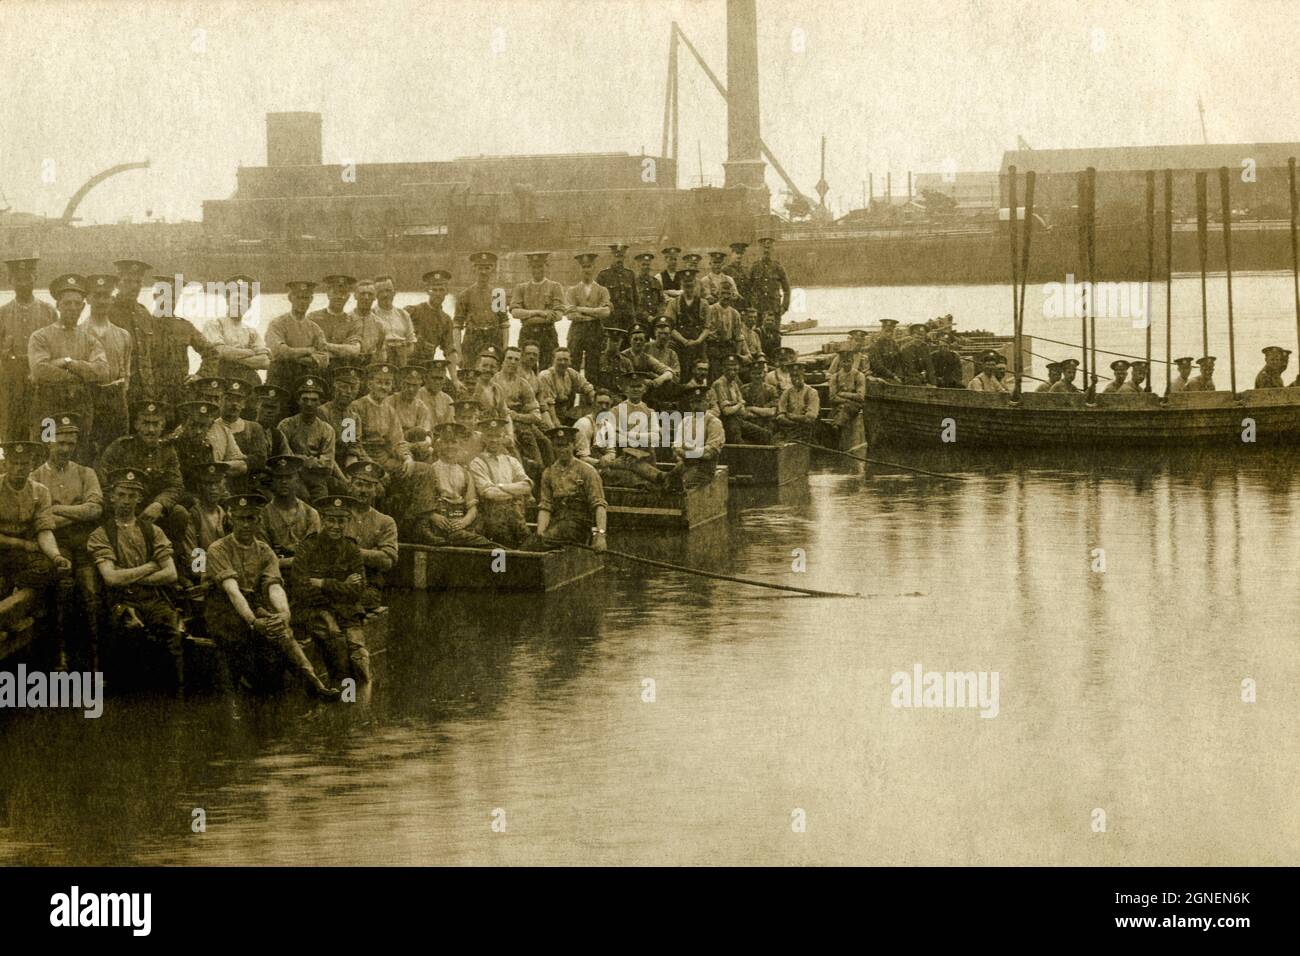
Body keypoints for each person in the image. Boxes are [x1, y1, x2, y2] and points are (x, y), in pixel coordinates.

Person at [204, 492, 341, 702]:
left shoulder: (264, 550)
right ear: (231, 519)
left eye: (251, 518)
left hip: (253, 607)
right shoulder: (218, 549)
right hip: (223, 613)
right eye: (241, 518)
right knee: (248, 652)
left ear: (258, 520)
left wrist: (284, 614)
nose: (246, 525)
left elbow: (274, 586)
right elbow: (232, 591)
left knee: (280, 629)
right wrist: (253, 621)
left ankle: (315, 684)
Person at [88, 467, 185, 695]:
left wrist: (129, 576)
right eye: (121, 495)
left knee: (173, 637)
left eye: (132, 496)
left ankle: (174, 703)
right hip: (121, 601)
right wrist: (151, 566)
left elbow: (171, 574)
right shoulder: (101, 534)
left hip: (154, 600)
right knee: (129, 643)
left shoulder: (153, 531)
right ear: (111, 496)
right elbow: (111, 578)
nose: (126, 501)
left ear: (140, 498)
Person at [30, 414, 103, 666]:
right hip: (55, 545)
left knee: (91, 594)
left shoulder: (86, 473)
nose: (65, 449)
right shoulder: (35, 478)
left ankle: (95, 661)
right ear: (48, 442)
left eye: (70, 443)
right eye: (60, 442)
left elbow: (95, 510)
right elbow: (38, 521)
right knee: (62, 593)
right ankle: (62, 658)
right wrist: (77, 511)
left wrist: (57, 509)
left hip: (84, 543)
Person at [290, 495, 378, 688]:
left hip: (347, 612)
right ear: (322, 520)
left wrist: (323, 583)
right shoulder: (307, 547)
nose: (336, 526)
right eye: (331, 520)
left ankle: (360, 704)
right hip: (315, 611)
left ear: (347, 522)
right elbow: (302, 590)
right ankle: (343, 697)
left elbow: (358, 591)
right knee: (336, 643)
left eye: (341, 521)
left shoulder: (351, 548)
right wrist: (342, 585)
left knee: (359, 655)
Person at [28, 274, 108, 457]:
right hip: (48, 408)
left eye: (77, 304)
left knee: (78, 455)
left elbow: (102, 371)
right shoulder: (40, 337)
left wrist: (67, 362)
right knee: (44, 452)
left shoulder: (89, 340)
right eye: (67, 303)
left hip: (80, 409)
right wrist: (82, 373)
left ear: (83, 307)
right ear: (58, 305)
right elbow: (39, 371)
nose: (72, 308)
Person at [0, 440, 71, 636]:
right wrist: (21, 543)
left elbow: (44, 530)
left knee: (56, 567)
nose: (19, 468)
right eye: (14, 463)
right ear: (5, 464)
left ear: (32, 465)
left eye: (24, 463)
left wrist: (56, 556)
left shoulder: (40, 491)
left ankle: (13, 596)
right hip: (6, 548)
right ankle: (13, 608)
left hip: (23, 554)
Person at [97, 400, 190, 548]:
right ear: (136, 425)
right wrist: (126, 504)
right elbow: (103, 482)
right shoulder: (120, 447)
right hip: (121, 507)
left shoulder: (167, 451)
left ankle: (174, 560)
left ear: (162, 426)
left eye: (155, 424)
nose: (151, 429)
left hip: (152, 510)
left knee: (179, 513)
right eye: (146, 423)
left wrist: (159, 504)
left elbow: (175, 485)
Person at [403, 423, 496, 547]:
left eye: (454, 442)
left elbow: (472, 507)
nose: (450, 446)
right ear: (439, 444)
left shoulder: (466, 473)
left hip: (459, 523)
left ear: (460, 445)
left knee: (473, 538)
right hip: (436, 524)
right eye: (446, 442)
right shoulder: (430, 470)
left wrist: (464, 522)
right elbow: (421, 503)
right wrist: (433, 516)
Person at [1, 256, 58, 441]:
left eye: (28, 278)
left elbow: (59, 348)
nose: (24, 283)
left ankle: (47, 465)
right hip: (12, 384)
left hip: (43, 384)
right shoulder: (2, 314)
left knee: (46, 431)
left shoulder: (48, 311)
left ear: (35, 278)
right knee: (13, 433)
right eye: (19, 279)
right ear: (11, 280)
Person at [523, 426, 607, 550]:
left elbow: (599, 505)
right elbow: (546, 507)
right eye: (558, 446)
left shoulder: (587, 471)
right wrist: (540, 535)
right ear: (553, 447)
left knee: (541, 542)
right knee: (535, 542)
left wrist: (600, 536)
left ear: (573, 445)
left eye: (565, 445)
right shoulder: (548, 473)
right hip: (557, 523)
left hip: (579, 524)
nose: (562, 450)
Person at [78, 274, 133, 459]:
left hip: (116, 401)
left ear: (112, 298)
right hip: (88, 399)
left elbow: (126, 374)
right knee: (89, 453)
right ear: (88, 298)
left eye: (106, 295)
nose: (102, 301)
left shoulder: (123, 335)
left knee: (119, 452)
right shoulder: (78, 334)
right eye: (97, 295)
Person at [149, 276, 217, 411]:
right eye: (165, 297)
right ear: (155, 296)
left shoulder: (185, 327)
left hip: (179, 393)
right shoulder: (144, 324)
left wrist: (201, 375)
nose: (169, 302)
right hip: (150, 392)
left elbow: (212, 353)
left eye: (174, 298)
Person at [469, 417, 533, 548]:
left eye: (498, 436)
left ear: (503, 437)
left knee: (525, 547)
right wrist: (515, 491)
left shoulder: (511, 461)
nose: (494, 440)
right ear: (484, 438)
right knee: (502, 553)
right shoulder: (477, 462)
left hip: (516, 517)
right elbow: (489, 493)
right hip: (491, 520)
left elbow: (527, 486)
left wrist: (501, 486)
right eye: (490, 436)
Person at [602, 371, 669, 489]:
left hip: (647, 459)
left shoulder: (650, 412)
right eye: (632, 386)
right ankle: (660, 477)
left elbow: (655, 437)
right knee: (630, 464)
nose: (635, 389)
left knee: (635, 465)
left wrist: (629, 434)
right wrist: (643, 437)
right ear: (625, 389)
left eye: (639, 386)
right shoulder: (615, 411)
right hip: (623, 457)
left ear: (644, 389)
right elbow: (615, 438)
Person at [108, 258, 160, 407]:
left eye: (138, 282)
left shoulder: (143, 313)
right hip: (119, 393)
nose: (134, 287)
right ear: (118, 283)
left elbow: (153, 354)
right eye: (128, 282)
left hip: (146, 392)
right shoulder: (108, 311)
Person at [199, 275, 268, 387]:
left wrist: (231, 357)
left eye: (244, 302)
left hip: (248, 380)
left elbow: (265, 361)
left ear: (249, 306)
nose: (240, 305)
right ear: (228, 301)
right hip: (220, 378)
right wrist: (250, 352)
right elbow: (219, 351)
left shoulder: (251, 332)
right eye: (236, 299)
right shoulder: (215, 324)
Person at [276, 377, 337, 498]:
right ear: (298, 401)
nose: (309, 404)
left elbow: (328, 464)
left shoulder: (329, 428)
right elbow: (284, 458)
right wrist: (313, 461)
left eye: (314, 400)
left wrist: (299, 459)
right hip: (292, 476)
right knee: (301, 496)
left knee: (323, 499)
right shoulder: (286, 425)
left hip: (318, 477)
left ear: (320, 402)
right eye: (305, 399)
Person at [266, 281, 330, 393]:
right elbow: (280, 352)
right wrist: (310, 350)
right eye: (298, 297)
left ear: (311, 300)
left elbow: (324, 358)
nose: (302, 302)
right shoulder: (277, 324)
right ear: (291, 298)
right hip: (281, 380)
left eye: (306, 298)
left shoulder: (315, 328)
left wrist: (294, 355)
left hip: (305, 382)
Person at [259, 455, 321, 571]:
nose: (284, 482)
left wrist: (284, 562)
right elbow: (264, 557)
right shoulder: (263, 516)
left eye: (288, 477)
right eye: (279, 477)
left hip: (305, 574)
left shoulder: (310, 514)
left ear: (297, 479)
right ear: (272, 481)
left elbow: (313, 555)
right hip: (274, 574)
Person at [347, 364, 410, 477]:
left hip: (384, 458)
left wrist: (407, 457)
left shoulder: (390, 410)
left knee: (418, 470)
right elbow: (350, 443)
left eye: (387, 383)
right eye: (379, 382)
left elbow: (398, 440)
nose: (383, 387)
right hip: (362, 459)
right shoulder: (355, 407)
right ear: (370, 384)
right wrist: (374, 466)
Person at [495, 345, 551, 470]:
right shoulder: (493, 381)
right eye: (509, 358)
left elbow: (536, 414)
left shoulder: (523, 384)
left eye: (516, 359)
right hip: (500, 424)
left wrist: (517, 416)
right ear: (503, 360)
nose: (513, 362)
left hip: (521, 423)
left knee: (545, 443)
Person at [345, 460, 398, 585]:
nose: (363, 490)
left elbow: (387, 561)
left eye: (369, 486)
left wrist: (349, 551)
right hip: (337, 581)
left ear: (375, 490)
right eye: (359, 484)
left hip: (370, 584)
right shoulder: (337, 517)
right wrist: (373, 554)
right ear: (350, 487)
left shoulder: (386, 522)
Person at [510, 251, 566, 367]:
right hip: (527, 333)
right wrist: (540, 312)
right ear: (529, 268)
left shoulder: (555, 287)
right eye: (534, 267)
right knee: (525, 368)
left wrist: (527, 316)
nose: (537, 270)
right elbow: (515, 313)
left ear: (545, 266)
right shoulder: (521, 288)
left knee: (547, 369)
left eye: (540, 266)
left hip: (547, 333)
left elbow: (558, 315)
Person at [564, 252, 612, 380]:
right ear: (579, 269)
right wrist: (595, 313)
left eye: (589, 266)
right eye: (583, 267)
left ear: (594, 268)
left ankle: (590, 399)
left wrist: (580, 308)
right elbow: (570, 314)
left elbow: (606, 312)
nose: (586, 270)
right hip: (576, 332)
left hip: (595, 332)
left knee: (593, 369)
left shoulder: (602, 290)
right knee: (572, 369)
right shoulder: (572, 290)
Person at [455, 252, 508, 367]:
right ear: (474, 269)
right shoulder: (465, 295)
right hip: (473, 340)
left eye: (487, 268)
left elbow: (504, 324)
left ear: (492, 269)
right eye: (480, 268)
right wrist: (458, 353)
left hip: (493, 340)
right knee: (470, 374)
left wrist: (505, 350)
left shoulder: (498, 294)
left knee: (493, 373)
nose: (483, 272)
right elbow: (457, 326)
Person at [672, 385, 726, 490]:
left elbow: (708, 454)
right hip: (684, 466)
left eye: (699, 402)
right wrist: (682, 453)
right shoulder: (685, 421)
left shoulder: (714, 423)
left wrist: (685, 452)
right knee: (666, 486)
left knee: (688, 488)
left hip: (704, 470)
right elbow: (675, 447)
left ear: (707, 403)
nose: (696, 406)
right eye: (693, 402)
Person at [711, 353, 772, 444]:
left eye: (735, 369)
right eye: (728, 369)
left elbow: (742, 410)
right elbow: (726, 411)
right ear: (723, 369)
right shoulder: (719, 384)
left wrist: (738, 406)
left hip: (738, 419)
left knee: (766, 434)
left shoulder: (734, 383)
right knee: (739, 442)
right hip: (726, 421)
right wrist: (739, 404)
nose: (732, 372)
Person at [408, 269, 459, 377]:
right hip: (407, 366)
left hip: (427, 367)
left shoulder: (446, 320)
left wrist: (454, 379)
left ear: (447, 291)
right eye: (434, 290)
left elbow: (449, 351)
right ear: (427, 290)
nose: (437, 294)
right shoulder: (413, 311)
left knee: (452, 390)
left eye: (441, 290)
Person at [665, 268, 710, 376]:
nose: (688, 289)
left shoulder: (703, 304)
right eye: (686, 285)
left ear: (695, 285)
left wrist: (698, 341)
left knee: (701, 372)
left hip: (698, 343)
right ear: (681, 285)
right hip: (679, 344)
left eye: (691, 285)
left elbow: (707, 327)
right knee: (679, 371)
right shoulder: (674, 303)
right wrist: (684, 341)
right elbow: (670, 327)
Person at [537, 347, 595, 428]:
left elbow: (586, 387)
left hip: (567, 414)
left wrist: (593, 398)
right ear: (553, 360)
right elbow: (548, 403)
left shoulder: (571, 373)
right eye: (559, 360)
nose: (562, 362)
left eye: (565, 359)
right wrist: (556, 422)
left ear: (570, 360)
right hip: (549, 414)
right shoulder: (546, 376)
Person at [386, 366, 436, 460]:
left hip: (413, 444)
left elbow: (426, 432)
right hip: (394, 442)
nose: (411, 389)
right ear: (401, 383)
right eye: (407, 385)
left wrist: (427, 442)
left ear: (420, 386)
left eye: (415, 385)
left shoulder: (421, 406)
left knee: (428, 449)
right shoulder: (390, 401)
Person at [372, 275, 416, 365]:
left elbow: (411, 343)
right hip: (380, 363)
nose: (385, 295)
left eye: (388, 290)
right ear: (375, 294)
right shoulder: (371, 316)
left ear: (394, 292)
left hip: (402, 360)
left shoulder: (403, 315)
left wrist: (402, 354)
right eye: (381, 291)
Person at [748, 235, 791, 325]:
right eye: (764, 249)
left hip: (774, 308)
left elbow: (787, 290)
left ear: (772, 250)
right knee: (758, 334)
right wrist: (751, 306)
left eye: (769, 249)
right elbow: (748, 289)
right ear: (760, 250)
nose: (766, 251)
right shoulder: (754, 267)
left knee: (775, 335)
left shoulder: (778, 267)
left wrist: (784, 307)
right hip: (759, 308)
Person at [596, 243, 639, 333]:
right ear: (611, 257)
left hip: (628, 320)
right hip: (611, 321)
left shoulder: (630, 274)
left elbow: (635, 299)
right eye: (616, 256)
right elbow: (597, 299)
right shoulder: (603, 275)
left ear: (624, 257)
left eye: (621, 256)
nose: (619, 259)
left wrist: (633, 314)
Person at [774, 362, 820, 441]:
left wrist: (790, 416)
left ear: (804, 376)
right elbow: (780, 416)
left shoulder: (811, 392)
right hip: (789, 428)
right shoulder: (786, 393)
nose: (795, 379)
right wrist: (794, 422)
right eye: (792, 376)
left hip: (806, 431)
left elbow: (810, 418)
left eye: (797, 375)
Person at [349, 278, 389, 367]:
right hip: (348, 366)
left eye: (370, 294)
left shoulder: (379, 324)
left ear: (375, 297)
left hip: (371, 367)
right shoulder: (346, 320)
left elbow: (381, 353)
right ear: (355, 296)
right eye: (362, 294)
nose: (366, 297)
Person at [575, 390, 617, 467]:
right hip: (582, 466)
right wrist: (601, 463)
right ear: (593, 404)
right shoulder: (584, 424)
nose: (604, 407)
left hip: (600, 463)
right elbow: (581, 458)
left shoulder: (608, 425)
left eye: (607, 404)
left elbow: (611, 451)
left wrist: (608, 457)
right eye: (600, 403)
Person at [828, 347, 866, 429]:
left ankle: (837, 426)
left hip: (854, 406)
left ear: (852, 362)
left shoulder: (859, 376)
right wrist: (846, 400)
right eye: (844, 362)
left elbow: (860, 396)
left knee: (845, 409)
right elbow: (832, 397)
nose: (846, 364)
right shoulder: (835, 377)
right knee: (834, 413)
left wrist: (842, 394)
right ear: (841, 363)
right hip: (838, 406)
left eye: (848, 361)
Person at [417, 360, 456, 428]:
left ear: (444, 380)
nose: (437, 382)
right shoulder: (417, 396)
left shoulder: (448, 400)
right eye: (434, 378)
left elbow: (450, 424)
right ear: (425, 378)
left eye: (441, 378)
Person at [741, 356, 780, 424]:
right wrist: (762, 412)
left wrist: (752, 408)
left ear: (764, 374)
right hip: (749, 423)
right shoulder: (744, 389)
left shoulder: (771, 389)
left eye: (759, 373)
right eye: (754, 373)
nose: (757, 376)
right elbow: (743, 412)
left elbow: (772, 412)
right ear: (750, 374)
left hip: (767, 423)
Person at [633, 251, 665, 323]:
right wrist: (647, 317)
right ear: (638, 265)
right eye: (643, 265)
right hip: (639, 321)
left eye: (648, 265)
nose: (646, 267)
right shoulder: (634, 283)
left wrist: (659, 315)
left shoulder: (656, 282)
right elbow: (633, 304)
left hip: (656, 320)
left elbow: (662, 301)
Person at [723, 242, 752, 310]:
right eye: (737, 253)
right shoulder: (726, 270)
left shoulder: (746, 270)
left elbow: (750, 288)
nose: (739, 256)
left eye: (741, 253)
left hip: (745, 304)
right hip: (732, 305)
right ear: (732, 254)